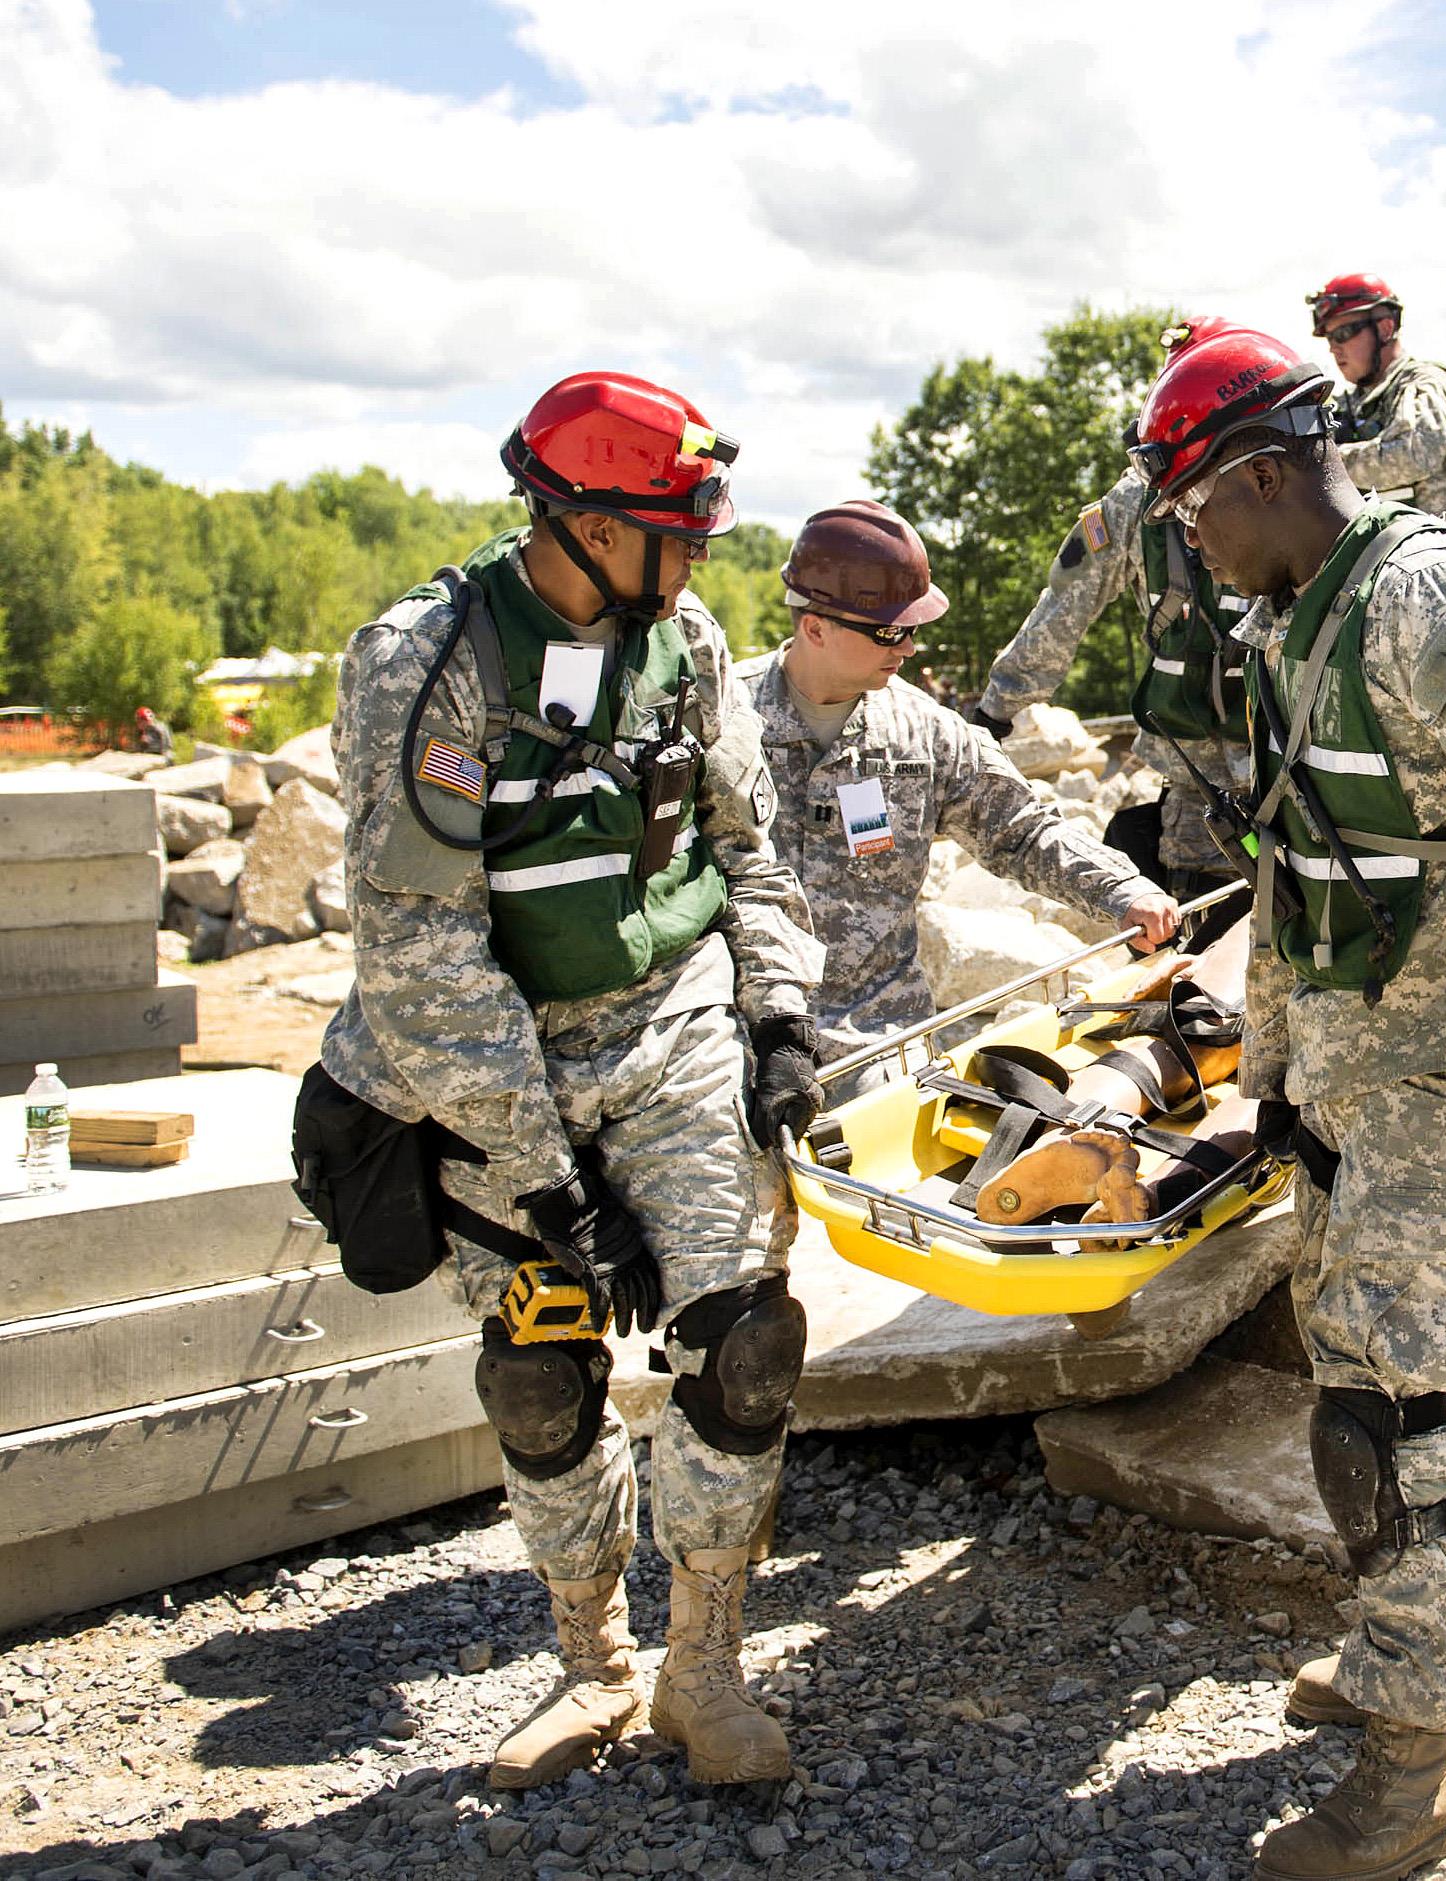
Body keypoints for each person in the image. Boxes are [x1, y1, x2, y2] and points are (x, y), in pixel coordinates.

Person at [1126, 326, 1446, 1880]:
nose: (1192, 540)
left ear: (1269, 474)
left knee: (1377, 1415)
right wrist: (1276, 1071)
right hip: (1361, 1072)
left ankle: (1417, 1770)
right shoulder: (1298, 618)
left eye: (1198, 508)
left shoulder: (1422, 599)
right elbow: (1300, 866)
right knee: (1364, 1367)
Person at [304, 372, 825, 1794]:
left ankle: (704, 1671)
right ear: (589, 525)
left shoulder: (686, 640)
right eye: (679, 531)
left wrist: (780, 1011)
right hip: (497, 1064)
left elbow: (747, 852)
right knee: (541, 1373)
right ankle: (591, 1665)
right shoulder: (426, 665)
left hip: (672, 1027)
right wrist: (545, 1175)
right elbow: (421, 953)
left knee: (745, 1348)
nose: (700, 556)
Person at [738, 497, 1179, 1071]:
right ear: (815, 627)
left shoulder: (926, 734)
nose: (908, 647)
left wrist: (1123, 891)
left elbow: (1023, 832)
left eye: (913, 629)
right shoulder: (722, 722)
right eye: (889, 631)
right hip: (741, 1051)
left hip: (877, 1047)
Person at [969, 317, 1257, 901]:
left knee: (1239, 915)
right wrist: (992, 716)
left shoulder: (1146, 501)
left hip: (1253, 768)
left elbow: (1061, 612)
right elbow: (1064, 609)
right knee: (1232, 914)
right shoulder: (1148, 500)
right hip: (1230, 770)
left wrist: (994, 715)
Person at [1306, 273, 1446, 524]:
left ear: (1385, 328)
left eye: (1343, 333)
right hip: (1382, 546)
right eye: (1329, 338)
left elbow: (1415, 455)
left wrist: (1324, 462)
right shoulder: (1348, 406)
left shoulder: (1428, 384)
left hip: (1440, 544)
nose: (1333, 347)